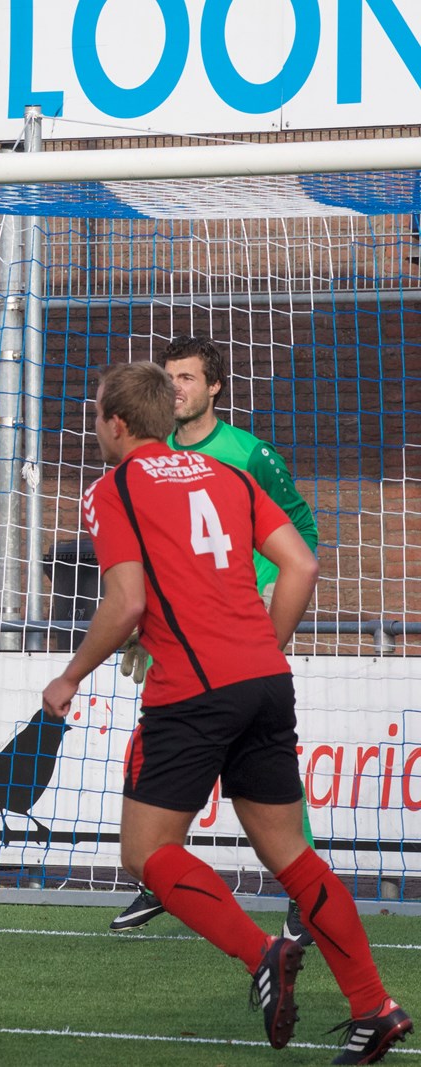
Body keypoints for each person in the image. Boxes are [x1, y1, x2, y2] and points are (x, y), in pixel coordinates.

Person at [42, 363, 409, 1063]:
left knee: (147, 853)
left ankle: (264, 952)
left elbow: (127, 603)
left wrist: (69, 675)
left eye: (96, 417)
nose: (96, 429)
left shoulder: (112, 488)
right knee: (292, 855)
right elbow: (300, 564)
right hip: (265, 680)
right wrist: (260, 651)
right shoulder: (230, 478)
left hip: (190, 690)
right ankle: (374, 1005)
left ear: (117, 424)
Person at [113, 336, 324, 942]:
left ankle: (300, 894)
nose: (176, 387)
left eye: (187, 377)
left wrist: (261, 598)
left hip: (241, 624)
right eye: (169, 376)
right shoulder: (148, 459)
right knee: (162, 744)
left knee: (261, 768)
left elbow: (301, 532)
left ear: (214, 388)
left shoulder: (250, 454)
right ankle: (163, 875)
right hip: (184, 632)